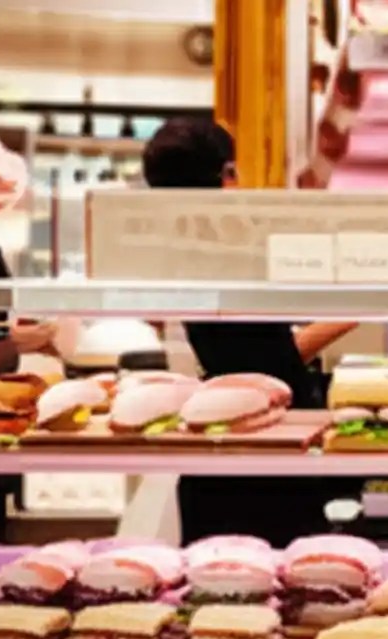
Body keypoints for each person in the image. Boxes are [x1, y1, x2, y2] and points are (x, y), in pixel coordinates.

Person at [143, 118, 358, 545]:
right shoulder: (221, 255)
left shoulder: (185, 249)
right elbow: (271, 363)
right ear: (225, 176)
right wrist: (357, 311)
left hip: (222, 463)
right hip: (262, 466)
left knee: (217, 594)